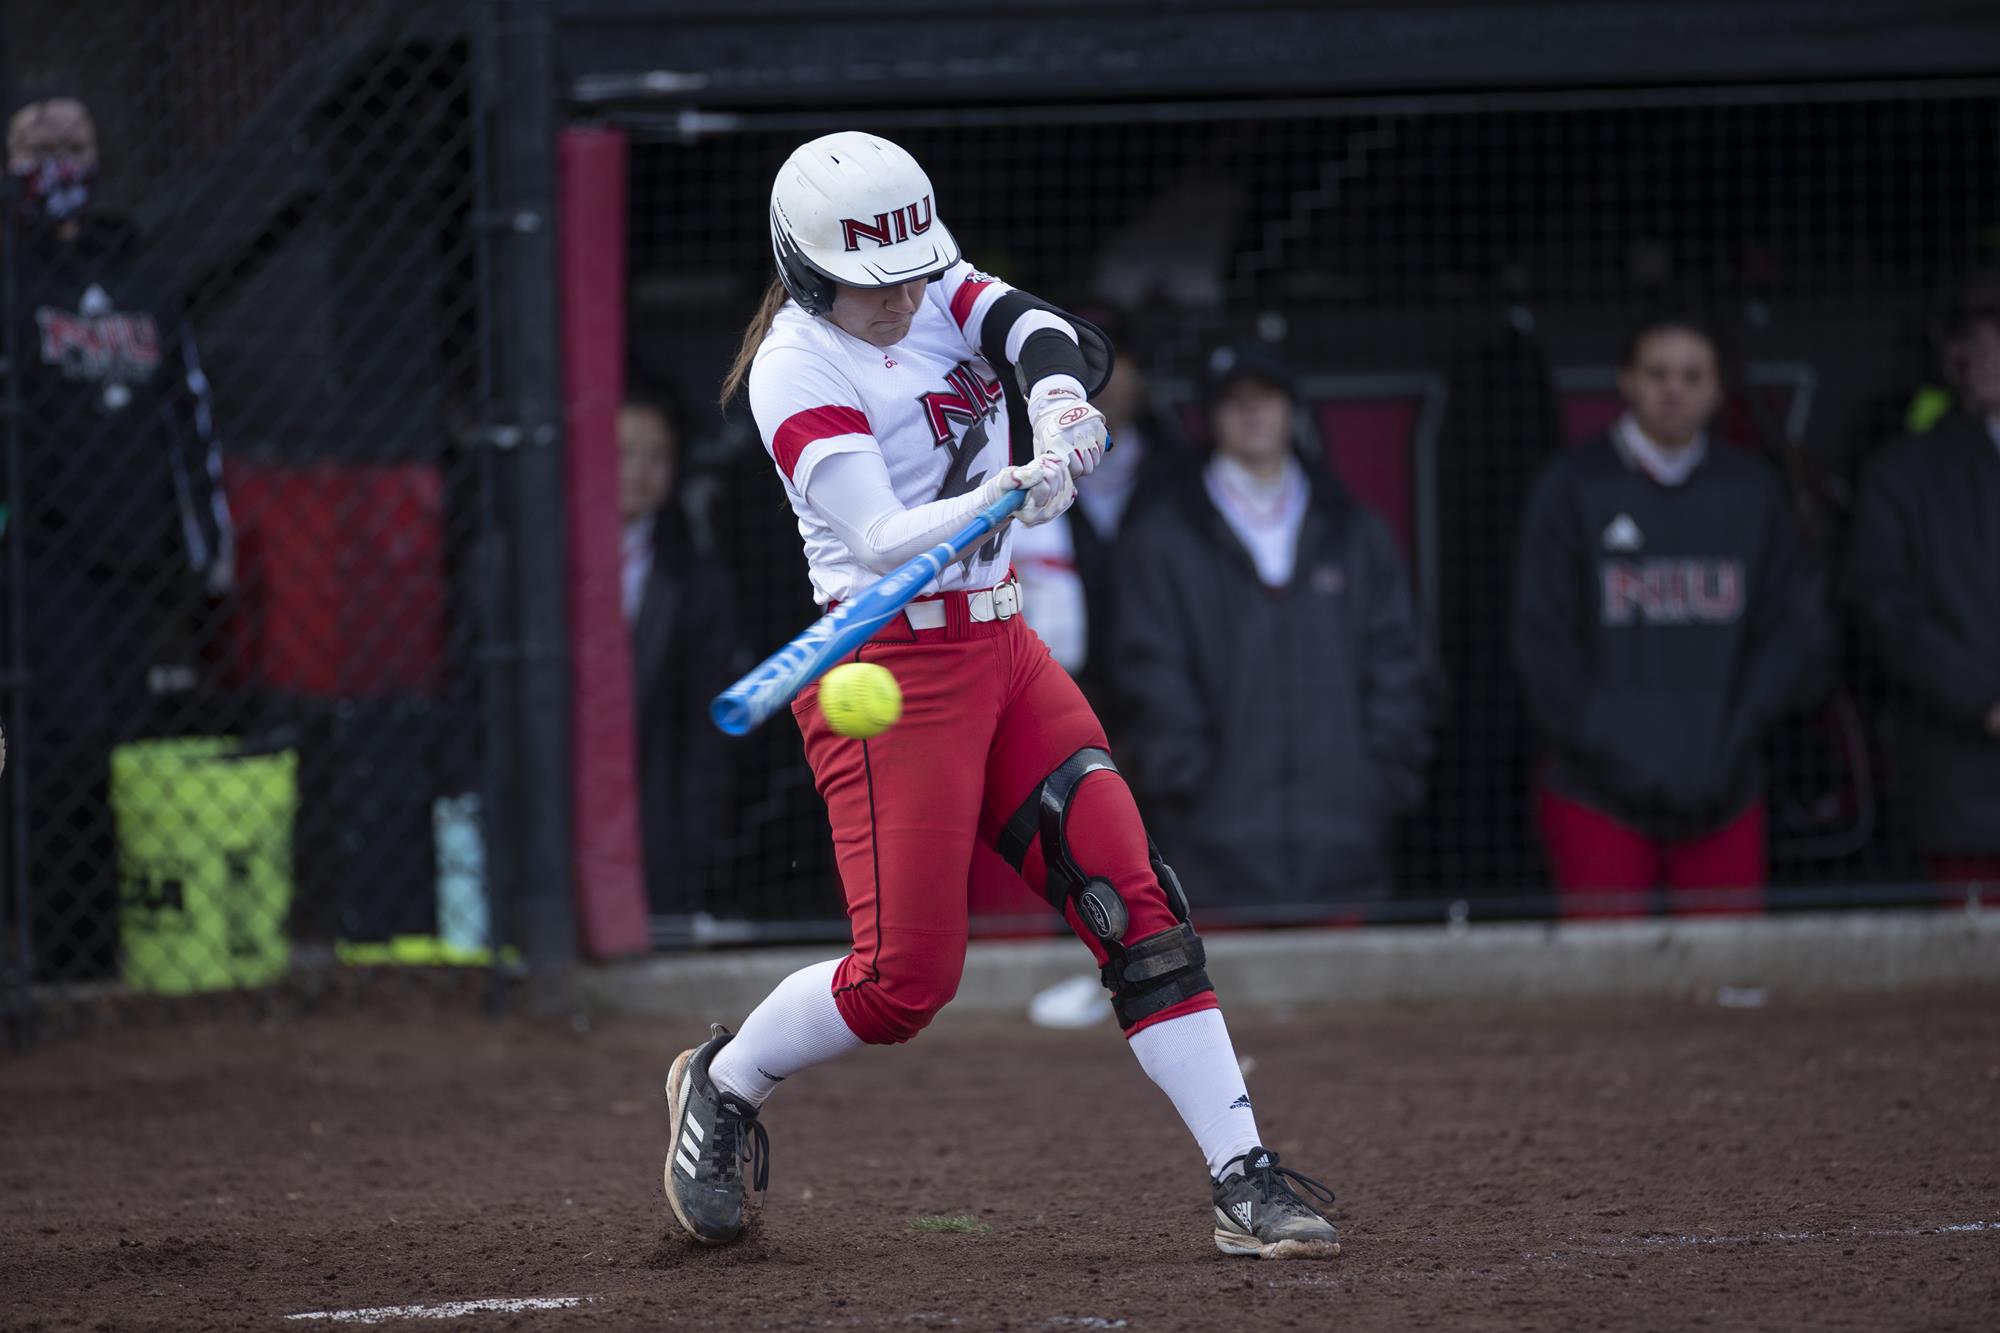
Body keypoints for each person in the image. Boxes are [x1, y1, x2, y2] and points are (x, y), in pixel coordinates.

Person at [664, 132, 1340, 1261]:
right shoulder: (795, 364)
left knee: (1138, 908)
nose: (898, 302)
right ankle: (724, 1084)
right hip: (884, 667)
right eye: (868, 287)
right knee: (902, 983)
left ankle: (1244, 1177)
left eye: (908, 276)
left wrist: (1062, 402)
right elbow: (879, 540)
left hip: (1003, 647)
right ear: (806, 266)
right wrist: (1011, 488)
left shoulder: (930, 277)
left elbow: (1039, 329)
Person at [2, 82, 231, 978]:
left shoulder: (140, 269)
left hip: (131, 552)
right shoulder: (12, 271)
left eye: (73, 134)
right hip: (40, 552)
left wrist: (206, 541)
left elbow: (191, 409)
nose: (57, 151)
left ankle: (114, 947)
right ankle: (60, 953)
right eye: (36, 136)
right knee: (63, 739)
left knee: (123, 743)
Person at [1512, 310, 1827, 919]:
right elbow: (1541, 641)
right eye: (1657, 372)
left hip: (1723, 787)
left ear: (1717, 388)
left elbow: (1788, 632)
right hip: (1596, 791)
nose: (1673, 389)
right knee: (1609, 991)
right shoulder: (1571, 487)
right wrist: (1605, 742)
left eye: (1692, 374)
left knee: (1727, 987)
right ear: (1626, 381)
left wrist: (1733, 739)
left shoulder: (1752, 492)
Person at [1114, 344, 1432, 920]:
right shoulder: (1164, 537)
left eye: (1266, 398)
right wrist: (1187, 784)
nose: (1252, 413)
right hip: (1210, 853)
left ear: (1293, 409)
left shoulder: (1355, 531)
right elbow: (1147, 673)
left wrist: (1376, 783)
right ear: (1210, 417)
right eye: (1233, 401)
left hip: (1345, 850)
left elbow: (1399, 666)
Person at [1842, 273, 2000, 895]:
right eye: (1975, 340)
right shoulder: (1906, 471)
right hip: (1963, 788)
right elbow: (1881, 608)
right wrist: (1983, 701)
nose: (1983, 356)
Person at [617, 390, 737, 915]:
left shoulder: (697, 577)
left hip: (659, 787)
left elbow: (706, 712)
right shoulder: (532, 563)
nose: (638, 471)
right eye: (622, 452)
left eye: (656, 456)